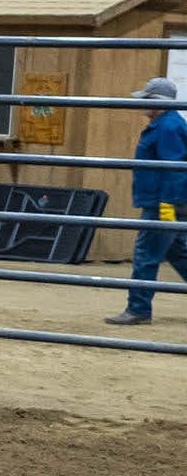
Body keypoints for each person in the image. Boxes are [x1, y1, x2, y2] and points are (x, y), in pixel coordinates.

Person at [104, 75, 187, 327]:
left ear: (159, 101)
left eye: (147, 98)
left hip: (163, 203)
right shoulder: (167, 124)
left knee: (146, 254)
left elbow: (174, 168)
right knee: (177, 252)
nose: (142, 103)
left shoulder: (168, 127)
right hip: (167, 201)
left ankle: (138, 309)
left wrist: (167, 204)